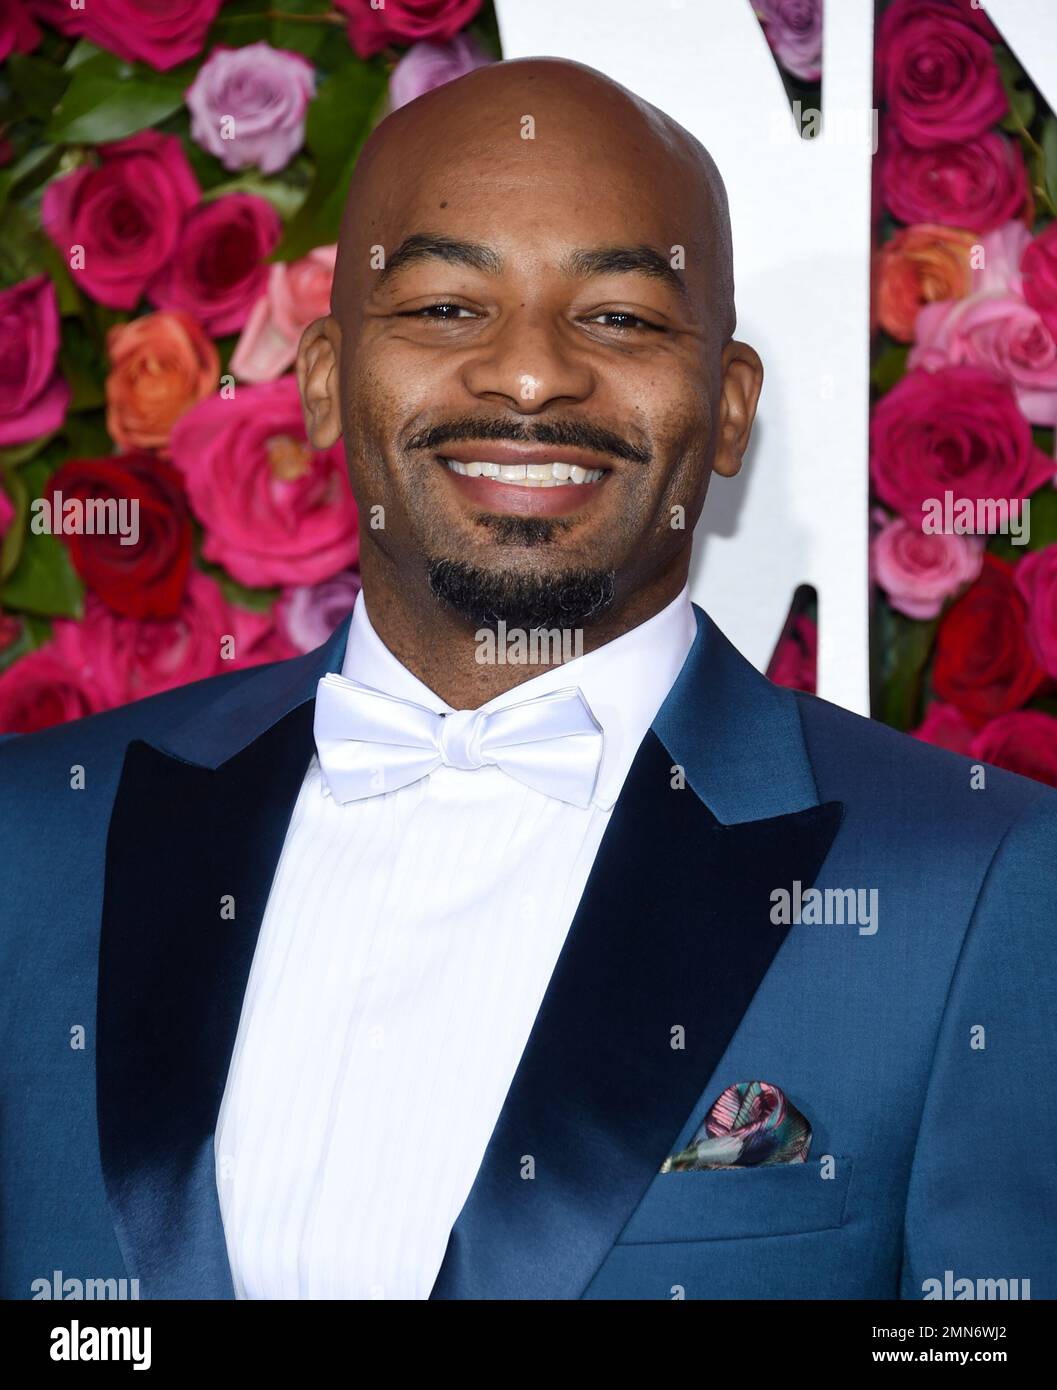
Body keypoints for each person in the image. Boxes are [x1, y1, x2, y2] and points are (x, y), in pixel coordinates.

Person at [2, 58, 1055, 1302]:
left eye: (618, 315)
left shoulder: (977, 879)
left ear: (726, 411)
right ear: (327, 382)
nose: (530, 374)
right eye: (448, 306)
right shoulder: (34, 832)